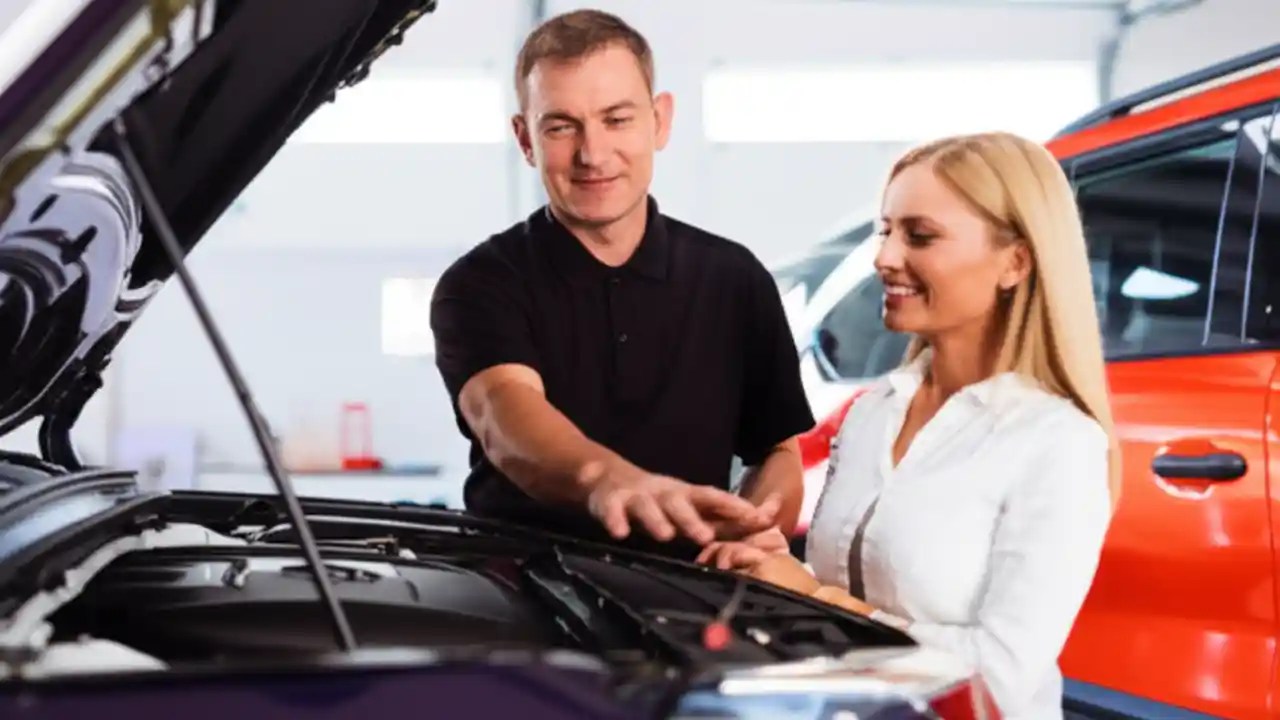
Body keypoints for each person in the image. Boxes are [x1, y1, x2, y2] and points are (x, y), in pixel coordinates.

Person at [697, 132, 1121, 720]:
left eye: (919, 236)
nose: (884, 258)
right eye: (885, 231)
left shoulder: (1058, 443)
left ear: (1015, 262)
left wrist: (818, 600)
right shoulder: (874, 411)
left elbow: (1000, 677)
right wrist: (779, 576)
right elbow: (852, 595)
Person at [429, 9, 814, 555]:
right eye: (561, 126)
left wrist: (752, 533)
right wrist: (610, 481)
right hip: (516, 587)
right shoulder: (480, 283)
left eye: (616, 120)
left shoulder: (735, 279)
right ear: (525, 139)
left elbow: (777, 453)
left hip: (691, 590)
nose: (593, 154)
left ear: (660, 121)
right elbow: (503, 412)